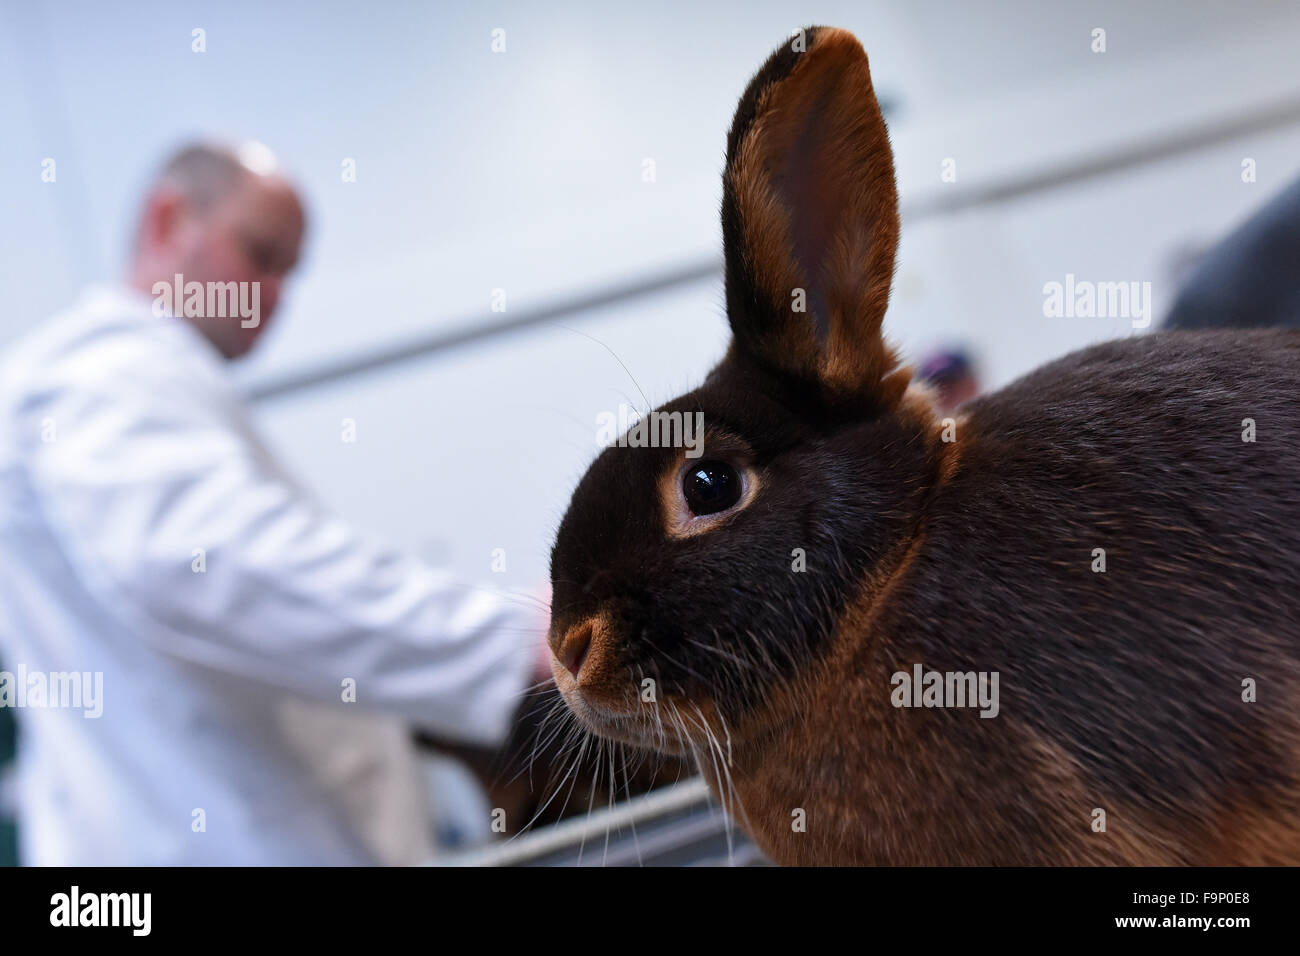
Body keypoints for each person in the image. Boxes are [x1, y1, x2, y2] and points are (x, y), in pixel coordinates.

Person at [0, 141, 541, 865]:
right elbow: (210, 565)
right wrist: (502, 637)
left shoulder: (148, 384)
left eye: (291, 271)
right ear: (168, 221)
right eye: (260, 254)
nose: (276, 294)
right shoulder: (101, 377)